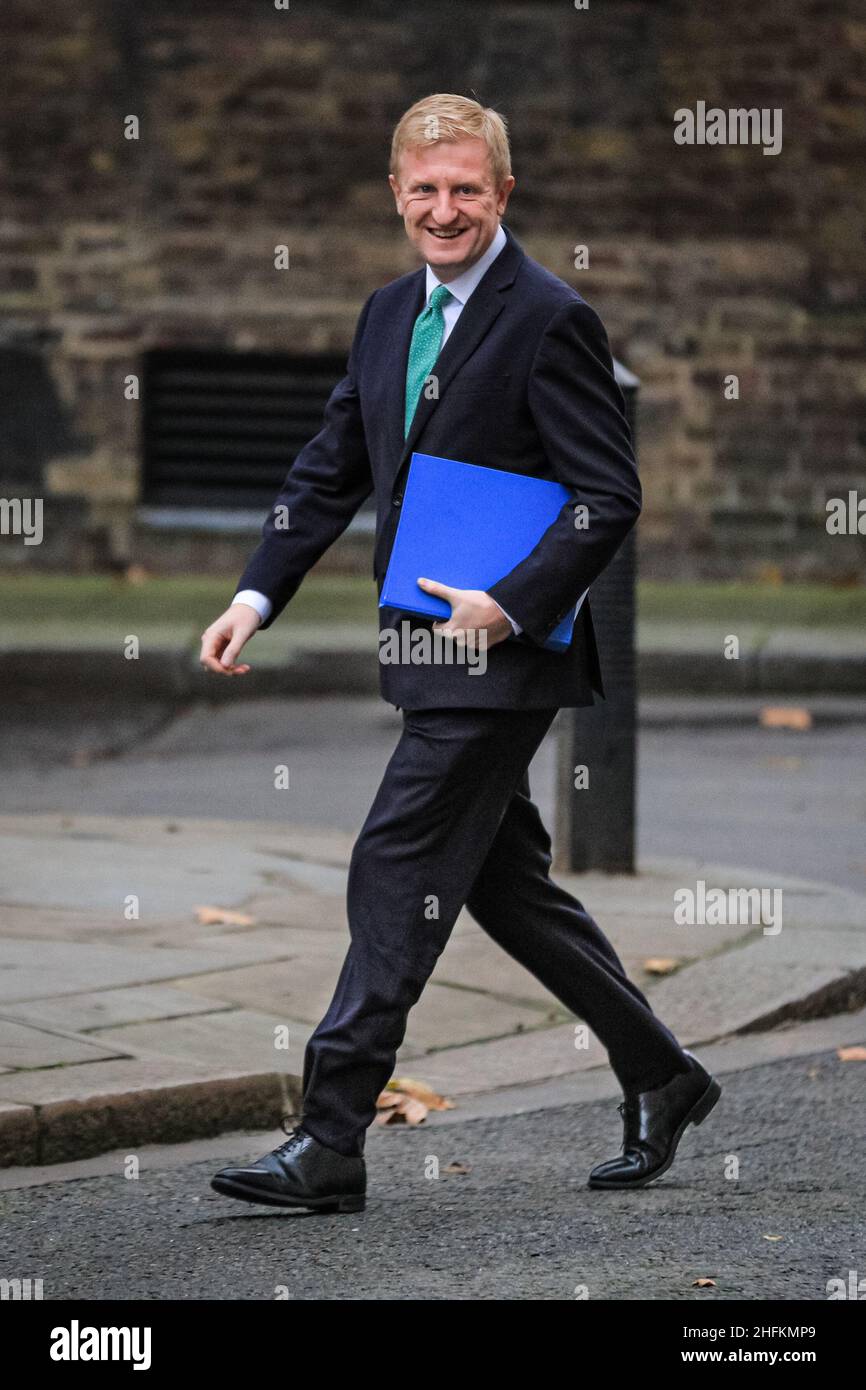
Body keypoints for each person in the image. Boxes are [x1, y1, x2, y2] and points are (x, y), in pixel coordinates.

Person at [202, 93, 720, 1213]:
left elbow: (605, 495)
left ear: (503, 193)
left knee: (393, 861)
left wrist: (510, 604)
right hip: (422, 645)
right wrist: (256, 592)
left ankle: (330, 1134)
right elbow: (330, 464)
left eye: (466, 190)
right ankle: (661, 1072)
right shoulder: (388, 312)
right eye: (425, 190)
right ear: (396, 193)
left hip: (502, 657)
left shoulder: (548, 317)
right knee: (503, 885)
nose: (445, 210)